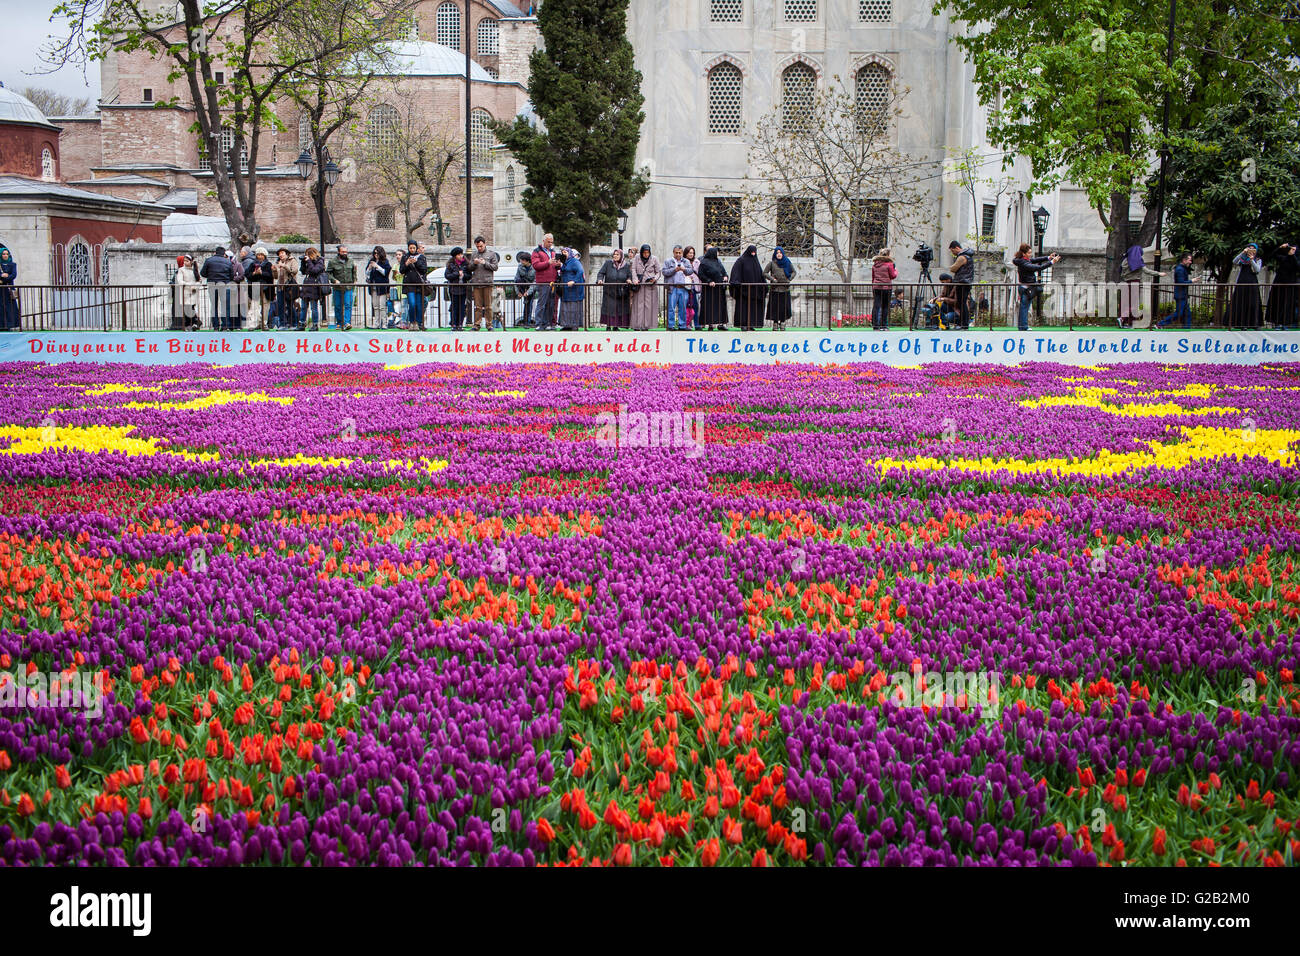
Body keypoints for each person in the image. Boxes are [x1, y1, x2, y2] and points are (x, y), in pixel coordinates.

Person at [1012, 242, 1060, 331]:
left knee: (1025, 307)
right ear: (1023, 253)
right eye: (1029, 253)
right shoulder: (1024, 263)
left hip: (1027, 287)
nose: (1030, 254)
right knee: (1024, 308)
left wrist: (1048, 257)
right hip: (1026, 288)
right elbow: (1038, 268)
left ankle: (1022, 326)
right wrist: (1052, 262)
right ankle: (1023, 327)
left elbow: (1035, 260)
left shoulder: (1024, 260)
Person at [1118, 243, 1165, 327]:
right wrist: (1158, 273)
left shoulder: (1125, 260)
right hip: (1135, 282)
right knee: (1133, 303)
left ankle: (1128, 322)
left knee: (1126, 302)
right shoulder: (1137, 260)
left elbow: (1121, 272)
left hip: (1125, 282)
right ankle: (1123, 318)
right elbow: (1146, 271)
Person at [199, 245, 239, 331]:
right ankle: (225, 325)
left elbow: (202, 273)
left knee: (214, 306)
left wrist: (210, 276)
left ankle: (216, 326)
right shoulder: (228, 262)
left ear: (215, 253)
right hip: (224, 285)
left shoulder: (208, 261)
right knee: (225, 306)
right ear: (224, 254)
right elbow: (231, 276)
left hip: (212, 284)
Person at [729, 244, 767, 330]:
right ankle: (743, 324)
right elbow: (736, 272)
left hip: (754, 291)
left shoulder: (755, 261)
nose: (753, 254)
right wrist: (736, 282)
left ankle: (751, 324)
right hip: (744, 291)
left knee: (753, 308)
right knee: (744, 308)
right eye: (752, 252)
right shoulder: (741, 260)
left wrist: (764, 286)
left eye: (755, 252)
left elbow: (760, 275)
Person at [465, 236, 499, 331]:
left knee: (488, 306)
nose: (479, 248)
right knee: (478, 306)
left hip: (487, 283)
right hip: (476, 283)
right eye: (477, 246)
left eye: (481, 246)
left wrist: (485, 263)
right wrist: (474, 263)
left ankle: (489, 325)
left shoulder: (492, 254)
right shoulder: (474, 254)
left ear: (484, 244)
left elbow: (495, 267)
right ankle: (476, 324)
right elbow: (470, 268)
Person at [1227, 243, 1263, 329]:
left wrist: (1252, 260)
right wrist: (1243, 253)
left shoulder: (1258, 259)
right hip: (1242, 282)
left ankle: (1254, 323)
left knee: (1253, 303)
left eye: (1253, 249)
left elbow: (1257, 270)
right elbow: (1234, 261)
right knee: (1242, 302)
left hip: (1252, 282)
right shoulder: (1242, 259)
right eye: (1249, 248)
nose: (1251, 250)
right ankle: (1241, 324)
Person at [1157, 253, 1195, 329]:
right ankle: (1160, 324)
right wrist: (1191, 281)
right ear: (1184, 260)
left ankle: (1186, 329)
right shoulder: (1180, 269)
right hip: (1181, 295)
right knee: (1179, 313)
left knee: (1187, 314)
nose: (1190, 262)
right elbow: (1181, 282)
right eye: (1189, 260)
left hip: (1182, 294)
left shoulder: (1181, 268)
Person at [1265, 243, 1299, 329]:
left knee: (1287, 305)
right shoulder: (1283, 258)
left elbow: (1297, 266)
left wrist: (1293, 255)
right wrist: (1280, 248)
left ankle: (1285, 324)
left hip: (1290, 286)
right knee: (1277, 303)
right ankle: (1277, 323)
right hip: (1279, 284)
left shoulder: (1296, 260)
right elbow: (1272, 255)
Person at [597, 247, 631, 330]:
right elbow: (601, 273)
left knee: (618, 310)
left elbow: (629, 275)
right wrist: (600, 279)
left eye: (617, 254)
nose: (615, 256)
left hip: (620, 292)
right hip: (609, 291)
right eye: (614, 254)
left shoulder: (626, 266)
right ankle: (608, 326)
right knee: (609, 308)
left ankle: (616, 326)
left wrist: (629, 279)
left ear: (621, 256)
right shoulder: (608, 263)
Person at [696, 246, 729, 331]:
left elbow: (723, 271)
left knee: (720, 306)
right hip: (709, 290)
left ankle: (721, 323)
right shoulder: (704, 262)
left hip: (719, 288)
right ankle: (710, 324)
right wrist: (709, 281)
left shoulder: (718, 262)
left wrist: (725, 276)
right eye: (717, 252)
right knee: (709, 307)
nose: (718, 254)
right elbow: (701, 274)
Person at [662, 244, 693, 331]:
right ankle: (671, 325)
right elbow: (664, 272)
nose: (678, 254)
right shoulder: (668, 261)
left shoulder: (686, 261)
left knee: (683, 307)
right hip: (673, 287)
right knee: (671, 307)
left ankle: (682, 325)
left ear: (682, 252)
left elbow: (691, 271)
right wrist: (674, 270)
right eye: (676, 253)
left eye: (680, 252)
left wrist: (684, 269)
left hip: (683, 288)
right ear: (673, 252)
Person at [629, 244, 660, 331]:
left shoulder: (654, 259)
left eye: (648, 252)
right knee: (638, 305)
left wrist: (654, 279)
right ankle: (637, 325)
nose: (646, 254)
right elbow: (633, 269)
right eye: (644, 253)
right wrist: (635, 279)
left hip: (650, 286)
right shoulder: (637, 258)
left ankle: (647, 325)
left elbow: (658, 272)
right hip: (639, 285)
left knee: (649, 306)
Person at [531, 233, 559, 330]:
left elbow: (554, 266)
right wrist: (548, 262)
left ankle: (548, 323)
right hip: (543, 281)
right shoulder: (536, 251)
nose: (550, 244)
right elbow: (536, 265)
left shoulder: (552, 251)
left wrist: (557, 264)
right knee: (542, 303)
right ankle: (539, 323)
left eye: (551, 242)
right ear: (543, 241)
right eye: (548, 242)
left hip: (552, 281)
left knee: (551, 304)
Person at [398, 239, 428, 331]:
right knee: (412, 303)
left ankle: (418, 323)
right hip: (409, 284)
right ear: (408, 248)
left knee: (419, 304)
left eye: (414, 248)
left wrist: (416, 262)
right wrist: (407, 263)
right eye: (410, 248)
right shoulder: (405, 257)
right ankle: (412, 322)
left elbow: (424, 269)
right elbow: (401, 270)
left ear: (416, 248)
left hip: (419, 284)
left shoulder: (421, 257)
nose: (412, 249)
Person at [325, 244, 356, 331]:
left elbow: (354, 271)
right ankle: (339, 323)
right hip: (337, 287)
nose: (345, 253)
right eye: (343, 252)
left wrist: (355, 280)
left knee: (348, 305)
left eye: (346, 252)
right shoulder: (332, 262)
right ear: (339, 252)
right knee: (338, 306)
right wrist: (334, 280)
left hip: (348, 286)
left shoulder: (351, 261)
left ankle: (347, 323)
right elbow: (328, 273)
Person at [764, 247, 795, 331]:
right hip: (775, 289)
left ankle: (782, 322)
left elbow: (793, 272)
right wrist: (772, 279)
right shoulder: (772, 263)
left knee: (784, 307)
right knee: (775, 307)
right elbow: (765, 273)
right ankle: (775, 323)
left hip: (784, 289)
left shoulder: (787, 262)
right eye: (777, 253)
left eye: (780, 252)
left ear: (782, 253)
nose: (779, 254)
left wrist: (789, 279)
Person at [947, 240, 975, 330]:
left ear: (957, 248)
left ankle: (964, 324)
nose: (953, 253)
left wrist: (951, 267)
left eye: (952, 251)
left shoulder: (962, 257)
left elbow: (953, 268)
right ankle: (962, 323)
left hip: (963, 282)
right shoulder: (968, 256)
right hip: (965, 282)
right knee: (961, 303)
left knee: (962, 303)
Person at [298, 247, 327, 331]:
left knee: (313, 307)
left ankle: (315, 324)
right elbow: (303, 271)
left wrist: (309, 261)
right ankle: (302, 323)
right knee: (303, 307)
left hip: (314, 287)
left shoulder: (320, 261)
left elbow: (315, 270)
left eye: (308, 255)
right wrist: (303, 263)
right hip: (306, 286)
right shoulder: (308, 262)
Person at [246, 247, 274, 330]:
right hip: (255, 287)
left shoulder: (268, 264)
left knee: (266, 307)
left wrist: (262, 273)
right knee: (254, 306)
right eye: (258, 254)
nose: (260, 256)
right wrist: (254, 273)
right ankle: (254, 323)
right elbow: (248, 275)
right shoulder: (252, 264)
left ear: (264, 255)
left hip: (266, 288)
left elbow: (270, 276)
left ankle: (264, 323)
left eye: (261, 254)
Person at [558, 247, 586, 330]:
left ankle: (574, 325)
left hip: (574, 289)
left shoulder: (574, 261)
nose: (564, 253)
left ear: (569, 253)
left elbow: (580, 271)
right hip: (566, 289)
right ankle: (566, 325)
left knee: (574, 307)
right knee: (566, 306)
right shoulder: (565, 262)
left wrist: (574, 281)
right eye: (562, 252)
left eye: (565, 252)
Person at [364, 247, 392, 328]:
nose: (376, 255)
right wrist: (369, 268)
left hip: (382, 287)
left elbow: (386, 272)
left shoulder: (385, 261)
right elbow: (367, 273)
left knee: (382, 306)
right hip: (373, 287)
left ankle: (384, 323)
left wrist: (377, 266)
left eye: (377, 253)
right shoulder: (371, 261)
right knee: (375, 306)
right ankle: (376, 323)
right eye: (375, 253)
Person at [870, 247, 897, 331]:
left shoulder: (875, 265)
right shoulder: (889, 264)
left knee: (876, 305)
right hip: (886, 287)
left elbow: (873, 276)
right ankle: (883, 325)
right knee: (885, 306)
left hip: (876, 286)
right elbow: (893, 276)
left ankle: (875, 325)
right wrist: (895, 271)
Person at [445, 247, 470, 330]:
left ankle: (460, 324)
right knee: (454, 306)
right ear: (455, 256)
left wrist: (464, 276)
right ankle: (454, 324)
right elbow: (447, 276)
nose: (461, 256)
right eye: (459, 255)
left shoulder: (465, 264)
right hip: (453, 289)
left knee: (462, 307)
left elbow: (469, 275)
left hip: (463, 288)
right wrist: (457, 274)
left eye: (461, 254)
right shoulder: (450, 264)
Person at [271, 248, 298, 330]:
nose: (280, 255)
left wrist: (284, 266)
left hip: (289, 286)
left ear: (286, 254)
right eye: (279, 253)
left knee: (290, 305)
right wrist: (274, 271)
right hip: (280, 286)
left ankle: (293, 324)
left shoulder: (292, 260)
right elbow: (275, 277)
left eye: (282, 253)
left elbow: (294, 271)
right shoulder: (277, 262)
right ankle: (282, 324)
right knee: (280, 306)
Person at [514, 250, 536, 328]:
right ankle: (525, 322)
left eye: (522, 260)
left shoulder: (534, 267)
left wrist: (528, 292)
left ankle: (527, 322)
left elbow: (535, 282)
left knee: (529, 304)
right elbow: (516, 280)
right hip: (522, 286)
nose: (521, 262)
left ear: (527, 261)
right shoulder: (520, 267)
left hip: (531, 287)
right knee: (519, 280)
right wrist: (518, 292)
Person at [682, 246, 701, 329]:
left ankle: (697, 324)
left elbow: (700, 273)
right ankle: (687, 324)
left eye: (692, 253)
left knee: (695, 306)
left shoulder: (697, 262)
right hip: (686, 286)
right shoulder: (683, 262)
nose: (691, 254)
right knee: (686, 306)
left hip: (695, 287)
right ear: (686, 253)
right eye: (689, 252)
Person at [0, 248, 17, 332]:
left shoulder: (13, 264)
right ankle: (1, 325)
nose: (5, 255)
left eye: (6, 254)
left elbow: (13, 275)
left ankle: (9, 325)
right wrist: (3, 275)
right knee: (1, 307)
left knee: (9, 307)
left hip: (9, 289)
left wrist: (3, 279)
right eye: (3, 254)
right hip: (1, 290)